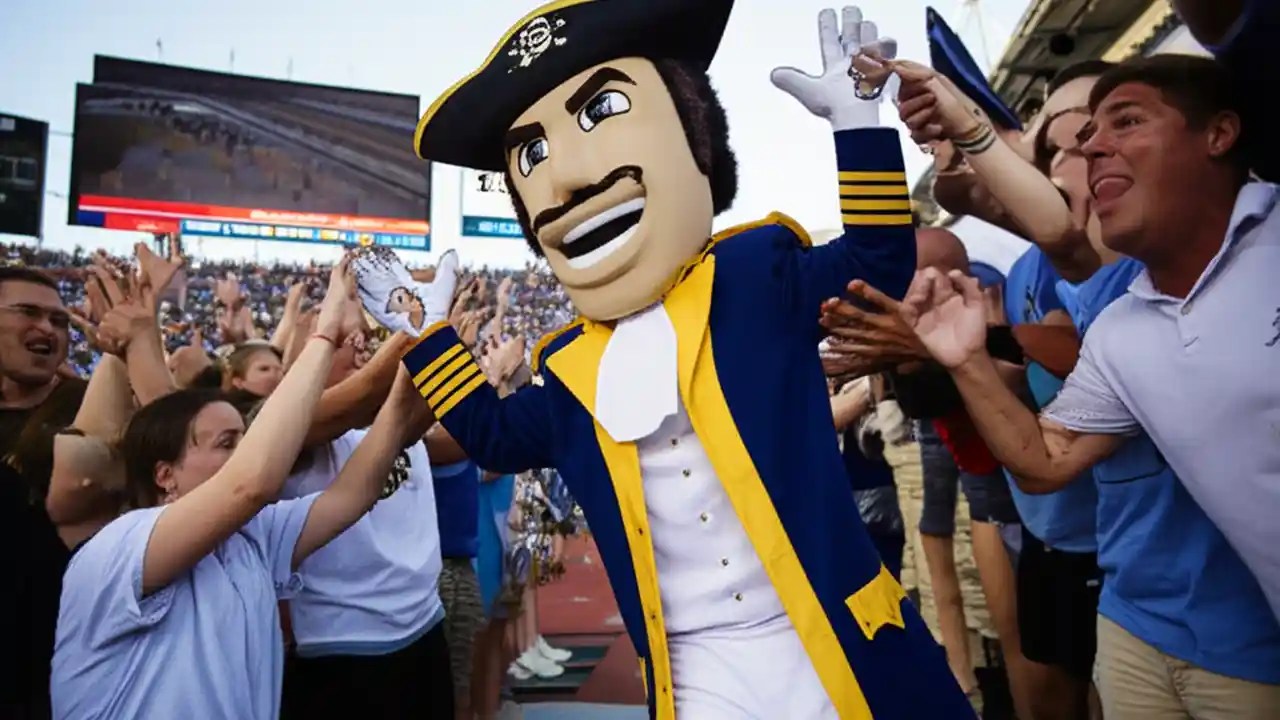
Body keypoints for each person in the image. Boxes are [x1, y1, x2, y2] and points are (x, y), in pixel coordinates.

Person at [399, 1, 972, 717]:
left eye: (603, 110)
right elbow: (493, 434)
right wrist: (426, 337)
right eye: (534, 157)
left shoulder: (755, 275)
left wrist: (859, 130)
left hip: (832, 632)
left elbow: (878, 265)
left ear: (694, 137)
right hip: (693, 667)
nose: (568, 180)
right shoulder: (572, 369)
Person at [50, 260, 428, 719]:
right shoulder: (122, 546)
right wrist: (325, 333)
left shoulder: (253, 538)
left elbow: (351, 496)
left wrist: (403, 396)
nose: (246, 453)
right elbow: (251, 483)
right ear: (164, 473)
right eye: (228, 443)